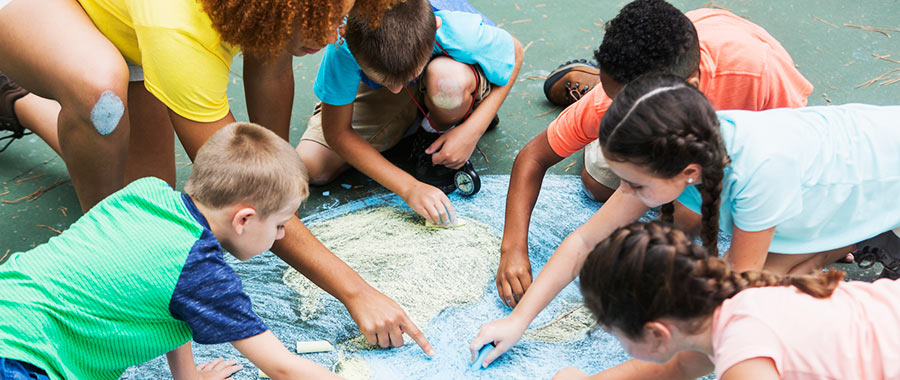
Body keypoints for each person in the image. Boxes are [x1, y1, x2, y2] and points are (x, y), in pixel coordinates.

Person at [0, 0, 436, 355]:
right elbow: (248, 183)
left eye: (336, 17)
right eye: (318, 23)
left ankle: (13, 103)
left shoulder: (279, 10)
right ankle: (102, 244)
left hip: (131, 25)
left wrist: (284, 192)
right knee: (119, 165)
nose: (330, 36)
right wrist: (356, 292)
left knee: (149, 181)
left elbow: (271, 70)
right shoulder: (180, 32)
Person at [471, 74, 900, 366]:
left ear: (687, 174)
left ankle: (867, 234)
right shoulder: (682, 151)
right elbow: (584, 242)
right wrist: (517, 321)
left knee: (748, 305)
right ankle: (850, 238)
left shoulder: (760, 172)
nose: (626, 192)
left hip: (876, 177)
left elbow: (731, 301)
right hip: (830, 179)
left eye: (635, 184)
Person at [498, 0, 813, 308]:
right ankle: (591, 83)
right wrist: (512, 249)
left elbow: (792, 155)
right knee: (597, 183)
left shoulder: (756, 73)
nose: (619, 109)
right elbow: (533, 157)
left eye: (621, 101)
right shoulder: (615, 103)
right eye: (614, 98)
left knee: (689, 217)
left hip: (737, 119)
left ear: (690, 86)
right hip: (661, 100)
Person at [0, 123, 346, 380]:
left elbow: (168, 302)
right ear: (243, 219)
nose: (281, 234)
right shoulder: (200, 271)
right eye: (280, 224)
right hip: (25, 360)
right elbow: (282, 368)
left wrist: (188, 376)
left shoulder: (147, 193)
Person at [551, 221, 900, 380]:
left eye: (615, 334)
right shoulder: (730, 304)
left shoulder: (743, 360)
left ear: (657, 332)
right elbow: (676, 368)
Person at [297, 0, 523, 226]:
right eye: (385, 80)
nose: (396, 89)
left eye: (404, 79)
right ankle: (417, 120)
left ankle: (440, 122)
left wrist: (473, 130)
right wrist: (408, 187)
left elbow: (516, 52)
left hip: (451, 72)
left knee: (447, 82)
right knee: (313, 165)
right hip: (398, 78)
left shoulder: (457, 30)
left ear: (435, 26)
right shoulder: (344, 41)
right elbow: (337, 132)